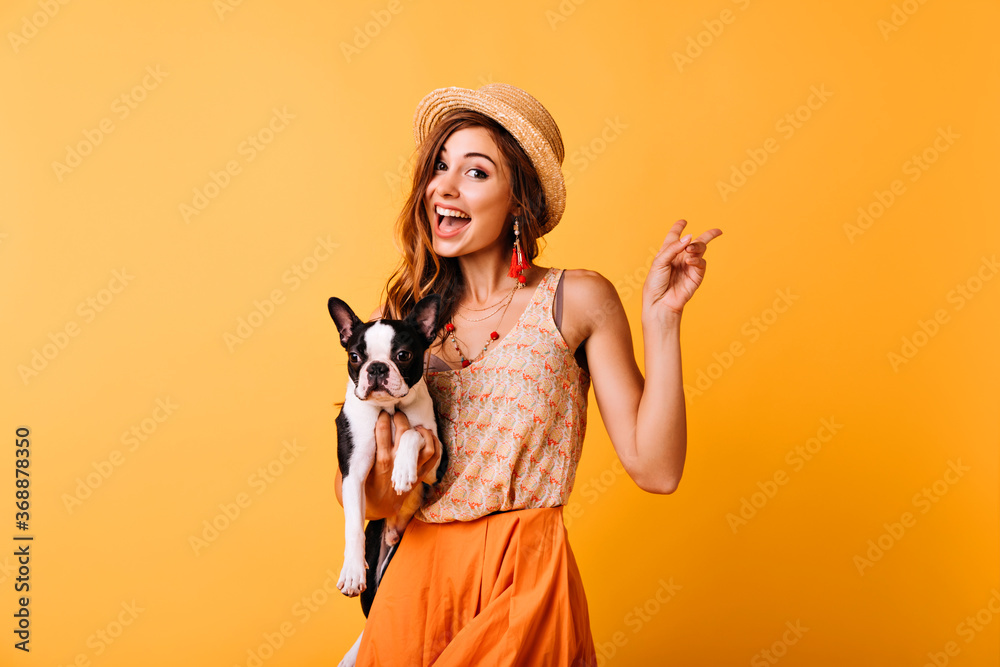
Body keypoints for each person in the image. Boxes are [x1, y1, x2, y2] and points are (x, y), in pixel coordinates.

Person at [334, 83, 722, 666]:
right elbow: (362, 496)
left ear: (519, 200)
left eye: (476, 171)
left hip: (526, 574)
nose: (444, 186)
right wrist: (394, 473)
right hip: (414, 583)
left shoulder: (577, 299)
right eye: (439, 167)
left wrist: (661, 321)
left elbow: (658, 469)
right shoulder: (402, 329)